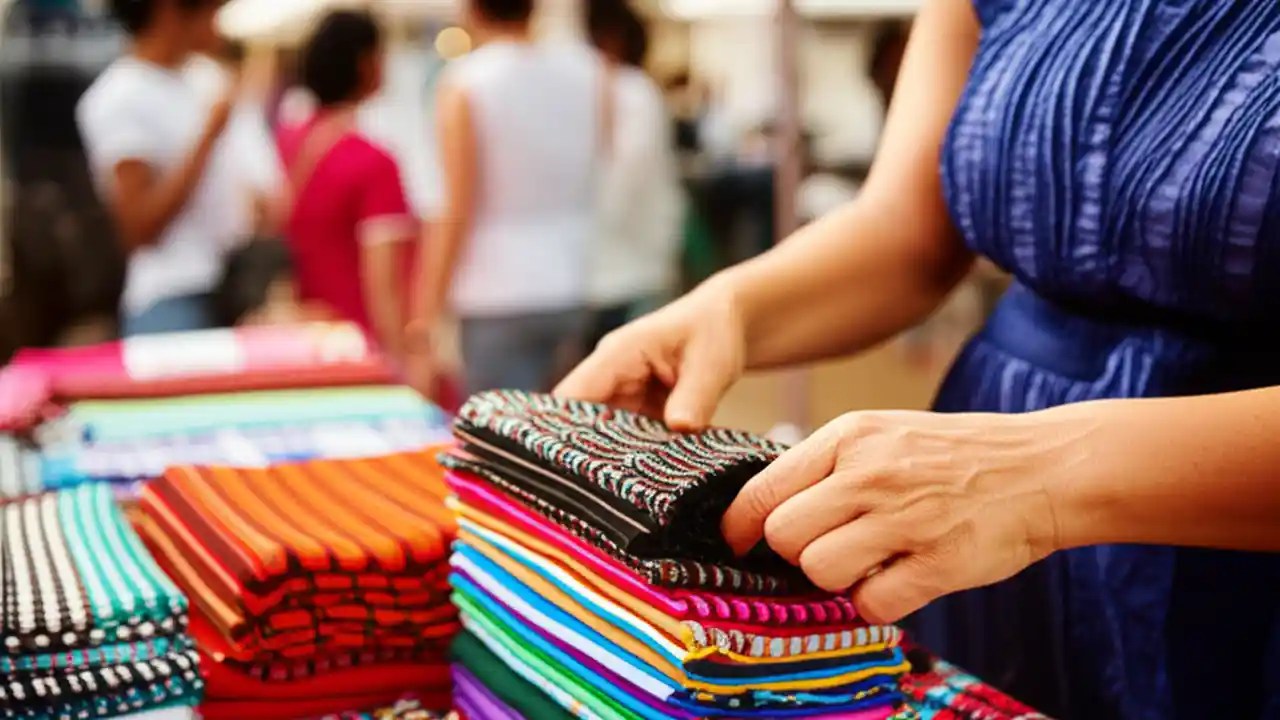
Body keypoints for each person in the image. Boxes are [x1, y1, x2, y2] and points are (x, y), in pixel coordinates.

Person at [557, 2, 1280, 718]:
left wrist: (1045, 477)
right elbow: (905, 230)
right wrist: (729, 310)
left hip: (1226, 520)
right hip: (972, 521)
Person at [406, 0, 602, 396]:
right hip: (573, 279)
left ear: (472, 10)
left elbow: (457, 204)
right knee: (563, 440)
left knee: (500, 447)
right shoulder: (585, 73)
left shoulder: (466, 82)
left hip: (496, 291)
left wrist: (425, 311)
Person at [78, 0, 239, 336]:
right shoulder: (118, 97)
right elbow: (139, 228)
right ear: (168, 11)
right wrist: (207, 139)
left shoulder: (206, 78)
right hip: (172, 298)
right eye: (209, 11)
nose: (217, 24)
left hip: (233, 286)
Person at [277, 10, 417, 361]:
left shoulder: (288, 141)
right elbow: (383, 284)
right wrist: (402, 359)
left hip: (300, 336)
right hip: (356, 344)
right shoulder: (372, 162)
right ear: (366, 63)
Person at [584, 1, 683, 351]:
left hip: (628, 265)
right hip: (619, 264)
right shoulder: (622, 90)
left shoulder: (632, 92)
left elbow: (626, 175)